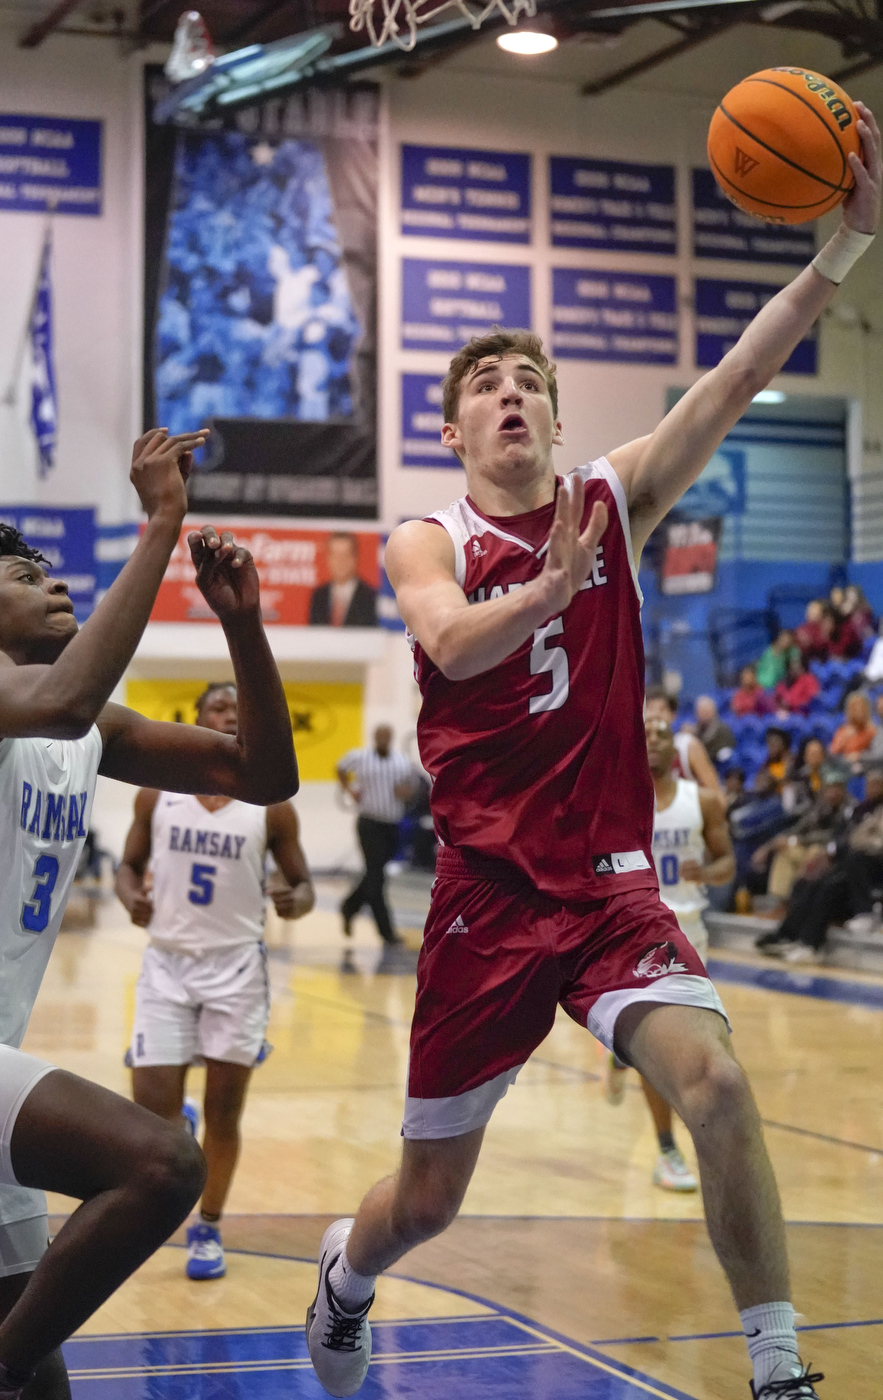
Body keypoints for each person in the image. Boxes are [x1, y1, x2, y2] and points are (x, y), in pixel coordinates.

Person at [305, 104, 878, 1400]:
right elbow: (448, 644)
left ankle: (777, 1370)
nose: (509, 397)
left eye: (529, 387)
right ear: (453, 432)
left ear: (556, 424)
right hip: (488, 898)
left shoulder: (611, 502)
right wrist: (546, 594)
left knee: (717, 1088)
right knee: (429, 1199)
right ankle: (346, 1274)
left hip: (613, 886)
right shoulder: (425, 536)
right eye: (483, 389)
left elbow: (730, 376)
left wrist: (840, 249)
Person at [0, 427, 298, 1400]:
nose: (51, 580)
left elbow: (262, 772)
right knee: (162, 1160)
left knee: (44, 1389)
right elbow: (61, 696)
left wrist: (243, 623)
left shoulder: (87, 732)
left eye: (49, 568)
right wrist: (162, 522)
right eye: (20, 573)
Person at [115, 681, 314, 1283]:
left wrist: (293, 901)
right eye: (219, 705)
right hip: (168, 964)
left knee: (226, 1112)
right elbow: (127, 866)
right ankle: (180, 1129)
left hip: (235, 969)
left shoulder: (272, 803)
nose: (230, 711)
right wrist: (130, 900)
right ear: (197, 720)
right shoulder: (157, 794)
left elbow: (304, 886)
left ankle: (208, 1225)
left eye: (237, 705)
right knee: (149, 1117)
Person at [606, 718, 734, 1192]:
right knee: (661, 1054)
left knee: (706, 1050)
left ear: (675, 746)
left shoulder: (700, 801)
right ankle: (666, 1149)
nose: (654, 739)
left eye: (662, 733)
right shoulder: (615, 799)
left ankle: (617, 1052)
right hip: (637, 935)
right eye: (645, 733)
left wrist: (711, 871)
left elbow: (727, 864)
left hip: (690, 934)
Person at [758, 765, 883, 959]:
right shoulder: (860, 810)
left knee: (828, 886)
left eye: (876, 784)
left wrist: (842, 848)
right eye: (869, 784)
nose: (871, 788)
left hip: (870, 866)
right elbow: (842, 838)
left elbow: (870, 843)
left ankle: (810, 944)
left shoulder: (863, 810)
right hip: (850, 863)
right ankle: (786, 934)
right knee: (811, 882)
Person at [336, 727, 416, 945]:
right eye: (379, 735)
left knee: (374, 875)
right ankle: (386, 931)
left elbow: (412, 786)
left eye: (386, 735)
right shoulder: (360, 757)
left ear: (390, 737)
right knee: (376, 876)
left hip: (392, 826)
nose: (382, 738)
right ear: (374, 737)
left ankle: (349, 906)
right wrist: (349, 789)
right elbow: (340, 767)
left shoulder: (401, 761)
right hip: (369, 823)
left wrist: (406, 793)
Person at [751, 761, 855, 905]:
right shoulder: (819, 807)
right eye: (829, 788)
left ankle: (802, 903)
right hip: (806, 845)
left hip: (830, 853)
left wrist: (800, 840)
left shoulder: (850, 809)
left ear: (843, 789)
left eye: (836, 788)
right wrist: (770, 846)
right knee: (785, 850)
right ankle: (779, 902)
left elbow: (836, 836)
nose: (831, 793)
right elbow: (797, 829)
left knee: (814, 852)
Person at [644, 687, 721, 791]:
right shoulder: (636, 750)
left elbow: (717, 796)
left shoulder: (687, 746)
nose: (656, 714)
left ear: (673, 715)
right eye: (650, 708)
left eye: (662, 709)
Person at [309, 533, 378, 627]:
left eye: (345, 555)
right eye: (335, 555)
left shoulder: (370, 597)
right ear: (328, 558)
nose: (340, 561)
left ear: (355, 557)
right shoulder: (319, 596)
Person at [829, 690, 876, 768]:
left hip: (865, 767)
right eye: (855, 707)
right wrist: (846, 738)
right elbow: (834, 751)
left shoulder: (872, 731)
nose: (859, 710)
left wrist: (860, 756)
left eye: (861, 707)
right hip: (845, 768)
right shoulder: (843, 731)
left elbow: (876, 754)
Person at [693, 694, 735, 766]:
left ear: (713, 712)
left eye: (706, 711)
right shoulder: (696, 730)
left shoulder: (723, 730)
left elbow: (723, 751)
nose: (702, 715)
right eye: (700, 712)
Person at [763, 727, 793, 792]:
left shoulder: (791, 763)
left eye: (774, 744)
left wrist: (774, 780)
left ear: (783, 745)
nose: (770, 748)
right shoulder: (767, 764)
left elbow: (788, 782)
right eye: (769, 744)